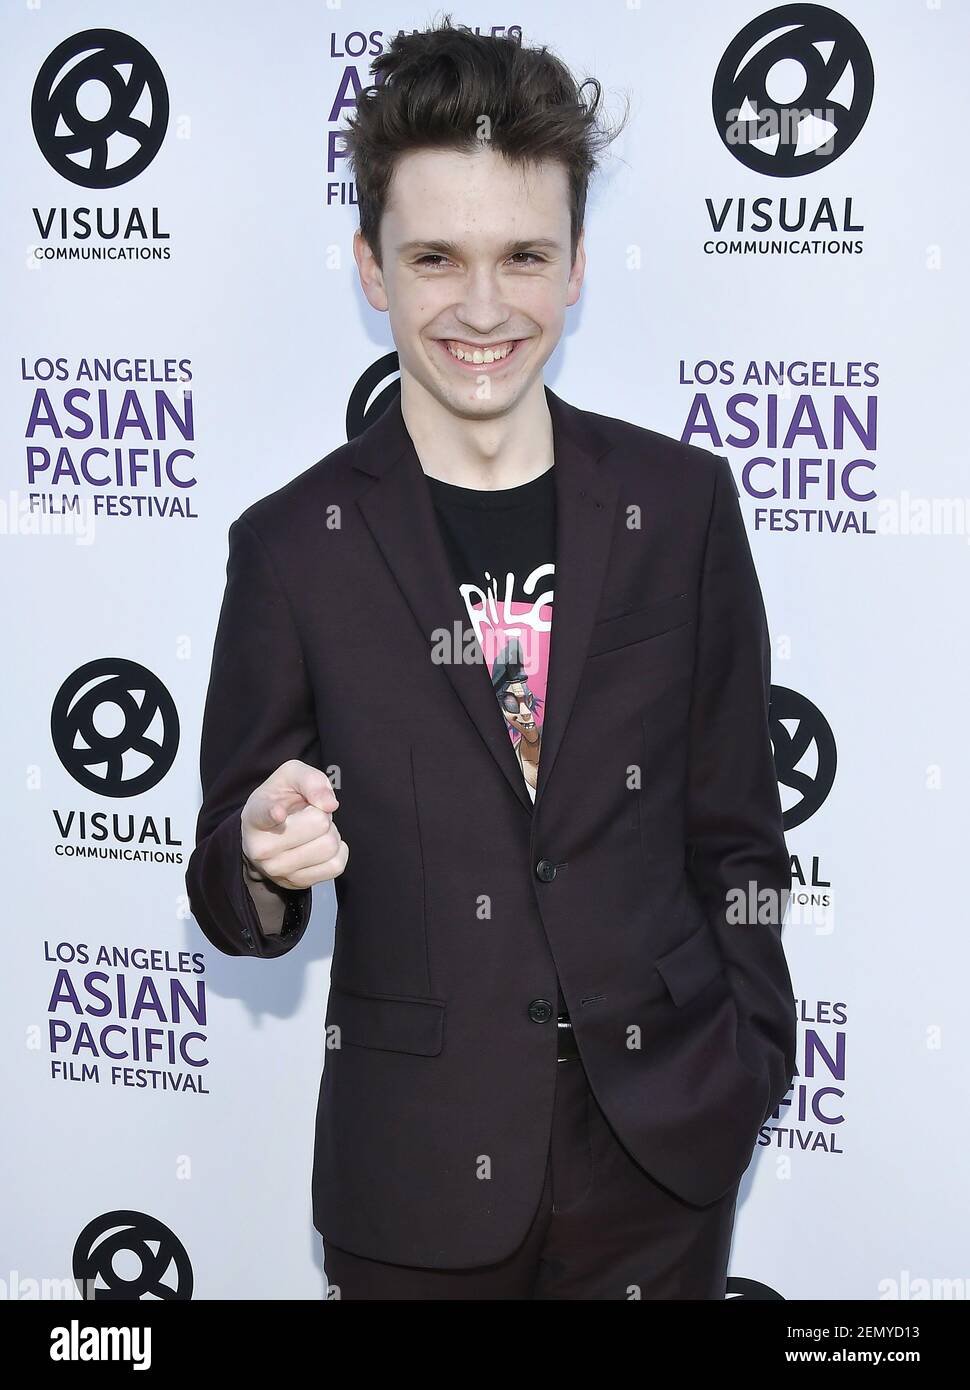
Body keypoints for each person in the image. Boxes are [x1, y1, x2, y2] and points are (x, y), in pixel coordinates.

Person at [186, 16, 796, 1300]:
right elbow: (227, 873)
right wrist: (255, 850)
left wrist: (745, 1056)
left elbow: (735, 828)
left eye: (523, 255)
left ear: (576, 265)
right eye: (434, 257)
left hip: (660, 1150)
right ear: (371, 267)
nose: (480, 306)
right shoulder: (295, 546)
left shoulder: (680, 506)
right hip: (411, 1174)